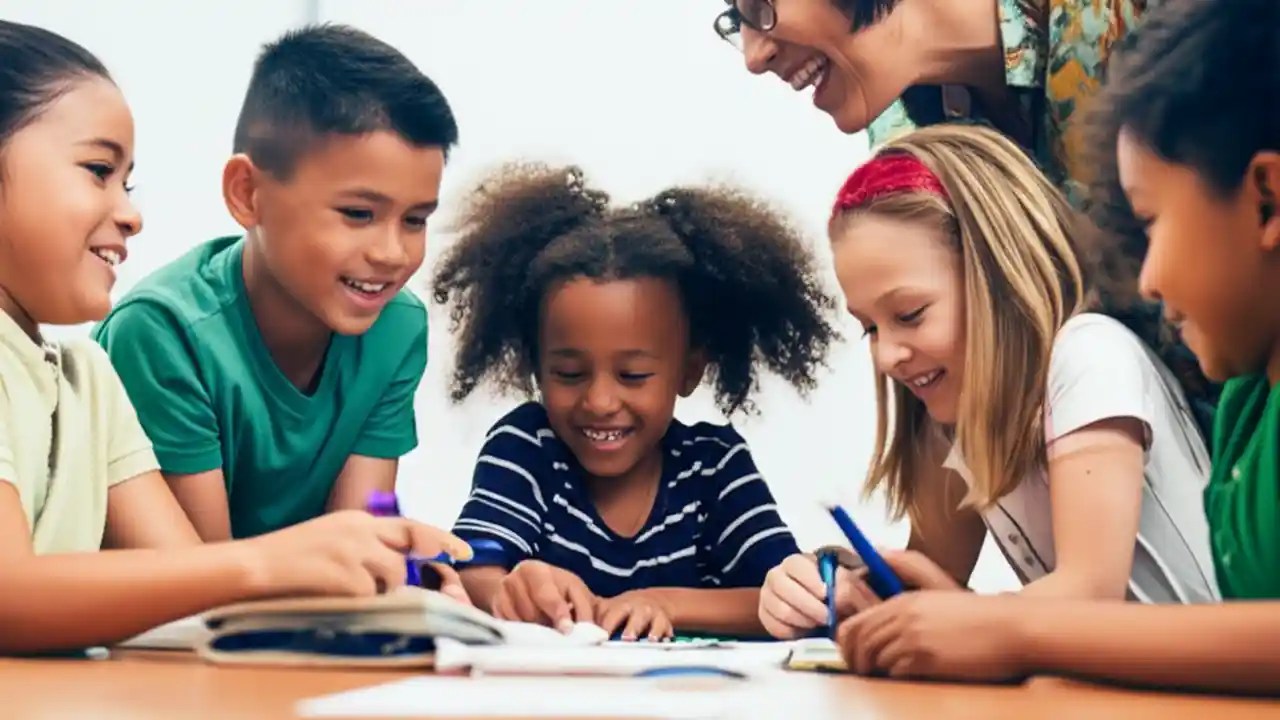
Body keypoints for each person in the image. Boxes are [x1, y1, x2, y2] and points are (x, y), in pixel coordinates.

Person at [834, 0, 1280, 695]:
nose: (1148, 279)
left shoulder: (1092, 355)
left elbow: (1105, 599)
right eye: (869, 327)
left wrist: (998, 627)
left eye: (1153, 224)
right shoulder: (1247, 414)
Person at [0, 20, 470, 655]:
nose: (133, 213)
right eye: (97, 169)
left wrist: (380, 563)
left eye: (127, 181)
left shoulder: (87, 378)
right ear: (247, 194)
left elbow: (201, 596)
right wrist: (276, 560)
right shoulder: (160, 330)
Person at [758, 124, 1217, 641]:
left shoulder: (1088, 356)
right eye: (869, 327)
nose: (886, 355)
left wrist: (943, 610)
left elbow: (1089, 596)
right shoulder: (953, 414)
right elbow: (926, 583)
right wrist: (826, 585)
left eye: (909, 314)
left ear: (996, 274)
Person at [710, 0, 1218, 436]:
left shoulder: (1140, 17)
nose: (755, 56)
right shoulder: (913, 145)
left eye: (759, 4)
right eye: (737, 19)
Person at [432, 164, 839, 639]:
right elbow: (471, 570)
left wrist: (660, 602)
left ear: (689, 369)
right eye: (569, 374)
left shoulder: (713, 469)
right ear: (536, 367)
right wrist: (509, 588)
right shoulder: (528, 446)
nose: (601, 401)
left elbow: (786, 597)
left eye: (633, 375)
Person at [93, 25, 453, 539]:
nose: (392, 253)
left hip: (292, 604)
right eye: (357, 213)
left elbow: (363, 532)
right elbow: (205, 583)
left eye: (415, 220)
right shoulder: (161, 332)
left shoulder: (396, 326)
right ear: (248, 194)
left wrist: (411, 570)